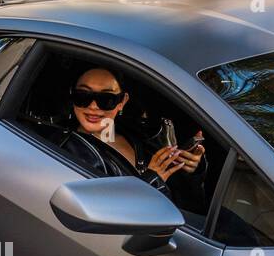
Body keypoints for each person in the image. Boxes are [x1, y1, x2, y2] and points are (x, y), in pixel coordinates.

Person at [70, 67, 207, 206]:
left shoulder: (139, 133)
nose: (93, 106)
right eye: (83, 95)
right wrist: (151, 180)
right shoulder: (65, 151)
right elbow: (103, 210)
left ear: (122, 102)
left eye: (107, 99)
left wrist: (188, 167)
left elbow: (181, 194)